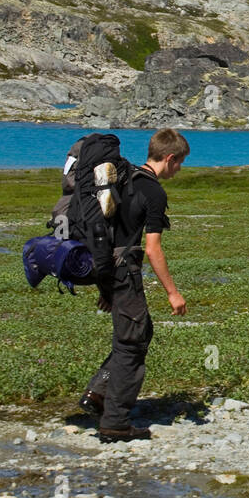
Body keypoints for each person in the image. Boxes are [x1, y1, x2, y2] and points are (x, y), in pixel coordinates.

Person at [78, 128, 189, 441]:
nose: (179, 169)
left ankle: (98, 394)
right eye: (180, 163)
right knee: (132, 341)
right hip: (125, 270)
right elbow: (153, 249)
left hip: (109, 268)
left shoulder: (124, 176)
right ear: (169, 158)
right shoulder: (153, 192)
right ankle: (115, 422)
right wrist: (173, 292)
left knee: (139, 330)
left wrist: (105, 286)